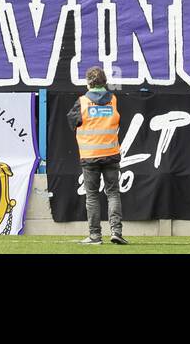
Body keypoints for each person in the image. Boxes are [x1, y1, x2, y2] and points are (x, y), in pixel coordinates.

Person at [68, 66, 127, 246]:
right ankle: (116, 232)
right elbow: (117, 122)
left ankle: (95, 237)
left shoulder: (82, 102)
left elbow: (72, 122)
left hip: (90, 156)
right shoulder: (113, 100)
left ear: (88, 82)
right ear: (105, 82)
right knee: (113, 194)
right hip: (111, 155)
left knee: (92, 196)